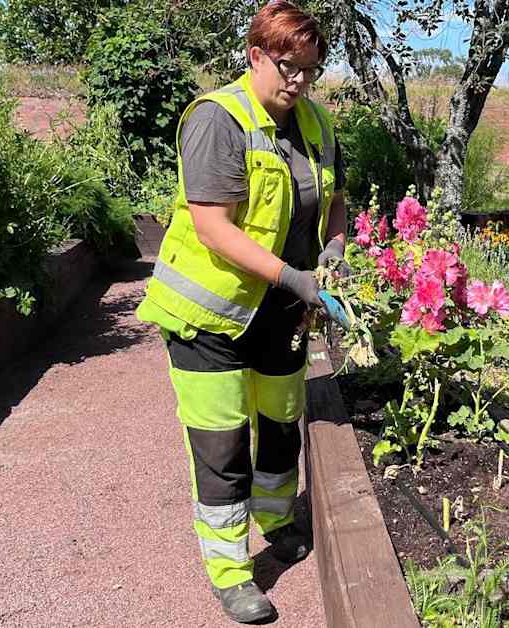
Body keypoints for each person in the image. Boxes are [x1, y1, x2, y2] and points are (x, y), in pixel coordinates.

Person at [134, 1, 347, 622]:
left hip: (281, 312)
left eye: (311, 69)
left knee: (281, 423)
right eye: (288, 67)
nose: (299, 82)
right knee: (222, 446)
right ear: (255, 55)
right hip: (209, 317)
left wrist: (334, 249)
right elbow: (211, 227)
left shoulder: (316, 124)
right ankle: (230, 570)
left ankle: (278, 522)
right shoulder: (217, 120)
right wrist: (294, 276)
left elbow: (335, 201)